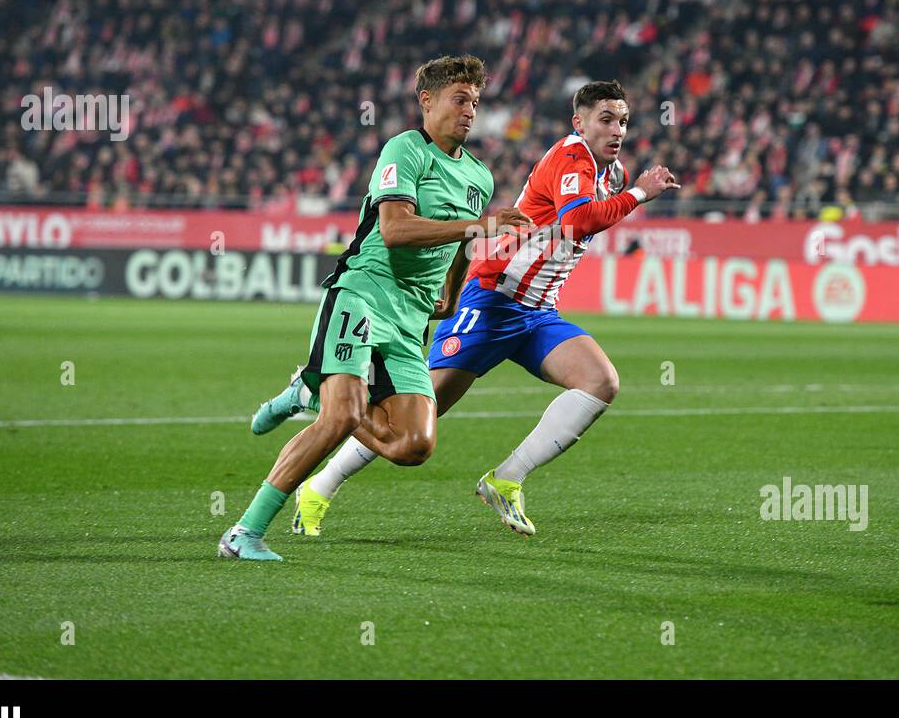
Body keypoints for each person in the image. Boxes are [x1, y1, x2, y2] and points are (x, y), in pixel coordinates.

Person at [258, 80, 679, 537]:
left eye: (623, 122)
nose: (617, 130)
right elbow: (575, 220)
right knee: (419, 413)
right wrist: (639, 195)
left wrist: (626, 192)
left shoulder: (607, 173)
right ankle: (320, 482)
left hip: (536, 311)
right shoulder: (571, 157)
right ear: (579, 122)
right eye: (606, 120)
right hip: (493, 297)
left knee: (600, 382)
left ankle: (507, 479)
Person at [219, 54, 530, 561]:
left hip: (408, 322)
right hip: (362, 294)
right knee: (340, 419)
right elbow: (395, 229)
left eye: (475, 101)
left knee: (413, 444)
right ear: (426, 102)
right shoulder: (406, 150)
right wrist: (482, 227)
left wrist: (450, 294)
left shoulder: (479, 177)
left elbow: (458, 248)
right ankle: (244, 532)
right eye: (459, 99)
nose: (470, 110)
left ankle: (309, 388)